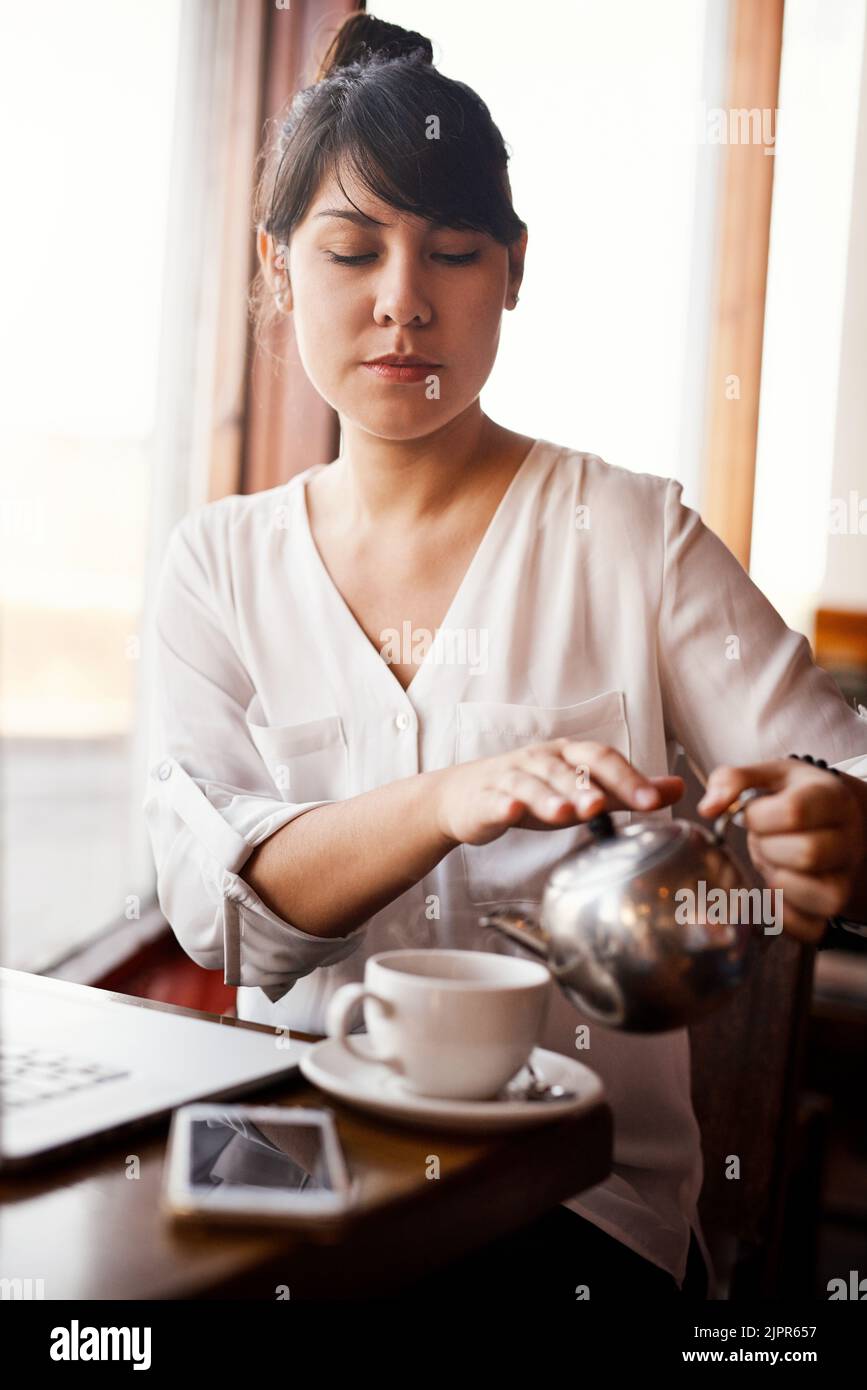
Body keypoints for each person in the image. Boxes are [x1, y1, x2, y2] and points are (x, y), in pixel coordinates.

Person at [143, 12, 867, 1300]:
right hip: (296, 1176)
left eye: (455, 253)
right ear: (278, 269)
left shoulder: (632, 535)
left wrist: (836, 824)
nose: (402, 301)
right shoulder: (219, 564)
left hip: (577, 1206)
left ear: (515, 270)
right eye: (352, 251)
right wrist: (446, 799)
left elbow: (833, 769)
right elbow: (221, 922)